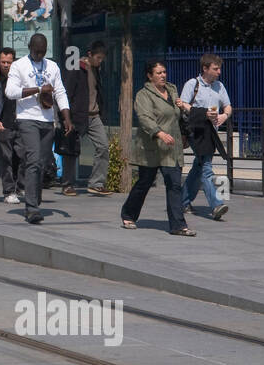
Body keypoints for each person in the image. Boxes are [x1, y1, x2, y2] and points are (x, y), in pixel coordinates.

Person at [121, 60, 195, 236]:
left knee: (174, 184)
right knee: (144, 183)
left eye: (164, 72)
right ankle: (128, 214)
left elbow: (177, 117)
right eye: (158, 73)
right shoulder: (143, 95)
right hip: (151, 147)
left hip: (171, 148)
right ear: (149, 76)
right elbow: (145, 118)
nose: (163, 75)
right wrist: (159, 133)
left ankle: (178, 225)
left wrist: (183, 127)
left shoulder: (172, 90)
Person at [5, 33, 73, 223]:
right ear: (29, 47)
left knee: (42, 163)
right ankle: (32, 208)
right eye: (36, 52)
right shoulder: (19, 66)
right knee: (33, 160)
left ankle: (34, 195)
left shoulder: (52, 66)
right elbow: (10, 92)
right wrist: (37, 90)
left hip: (47, 120)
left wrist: (66, 116)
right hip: (27, 119)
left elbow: (60, 91)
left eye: (42, 52)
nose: (39, 55)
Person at [180, 53, 231, 220]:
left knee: (199, 167)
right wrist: (203, 114)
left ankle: (182, 201)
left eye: (219, 69)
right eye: (215, 69)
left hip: (211, 132)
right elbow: (182, 104)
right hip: (196, 130)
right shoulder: (192, 84)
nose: (219, 72)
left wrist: (224, 116)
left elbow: (228, 106)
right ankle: (216, 205)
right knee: (206, 167)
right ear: (205, 68)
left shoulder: (219, 86)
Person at [61, 40, 112, 196]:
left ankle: (96, 183)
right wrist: (66, 117)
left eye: (102, 58)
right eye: (98, 57)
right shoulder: (76, 68)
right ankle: (67, 184)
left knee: (103, 146)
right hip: (77, 115)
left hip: (94, 115)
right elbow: (67, 92)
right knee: (71, 150)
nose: (100, 61)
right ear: (89, 54)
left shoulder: (97, 69)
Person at [0, 47, 24, 203]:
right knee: (6, 158)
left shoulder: (21, 79)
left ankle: (21, 187)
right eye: (3, 62)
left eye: (9, 62)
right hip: (4, 125)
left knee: (24, 157)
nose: (6, 65)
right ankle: (9, 191)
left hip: (21, 123)